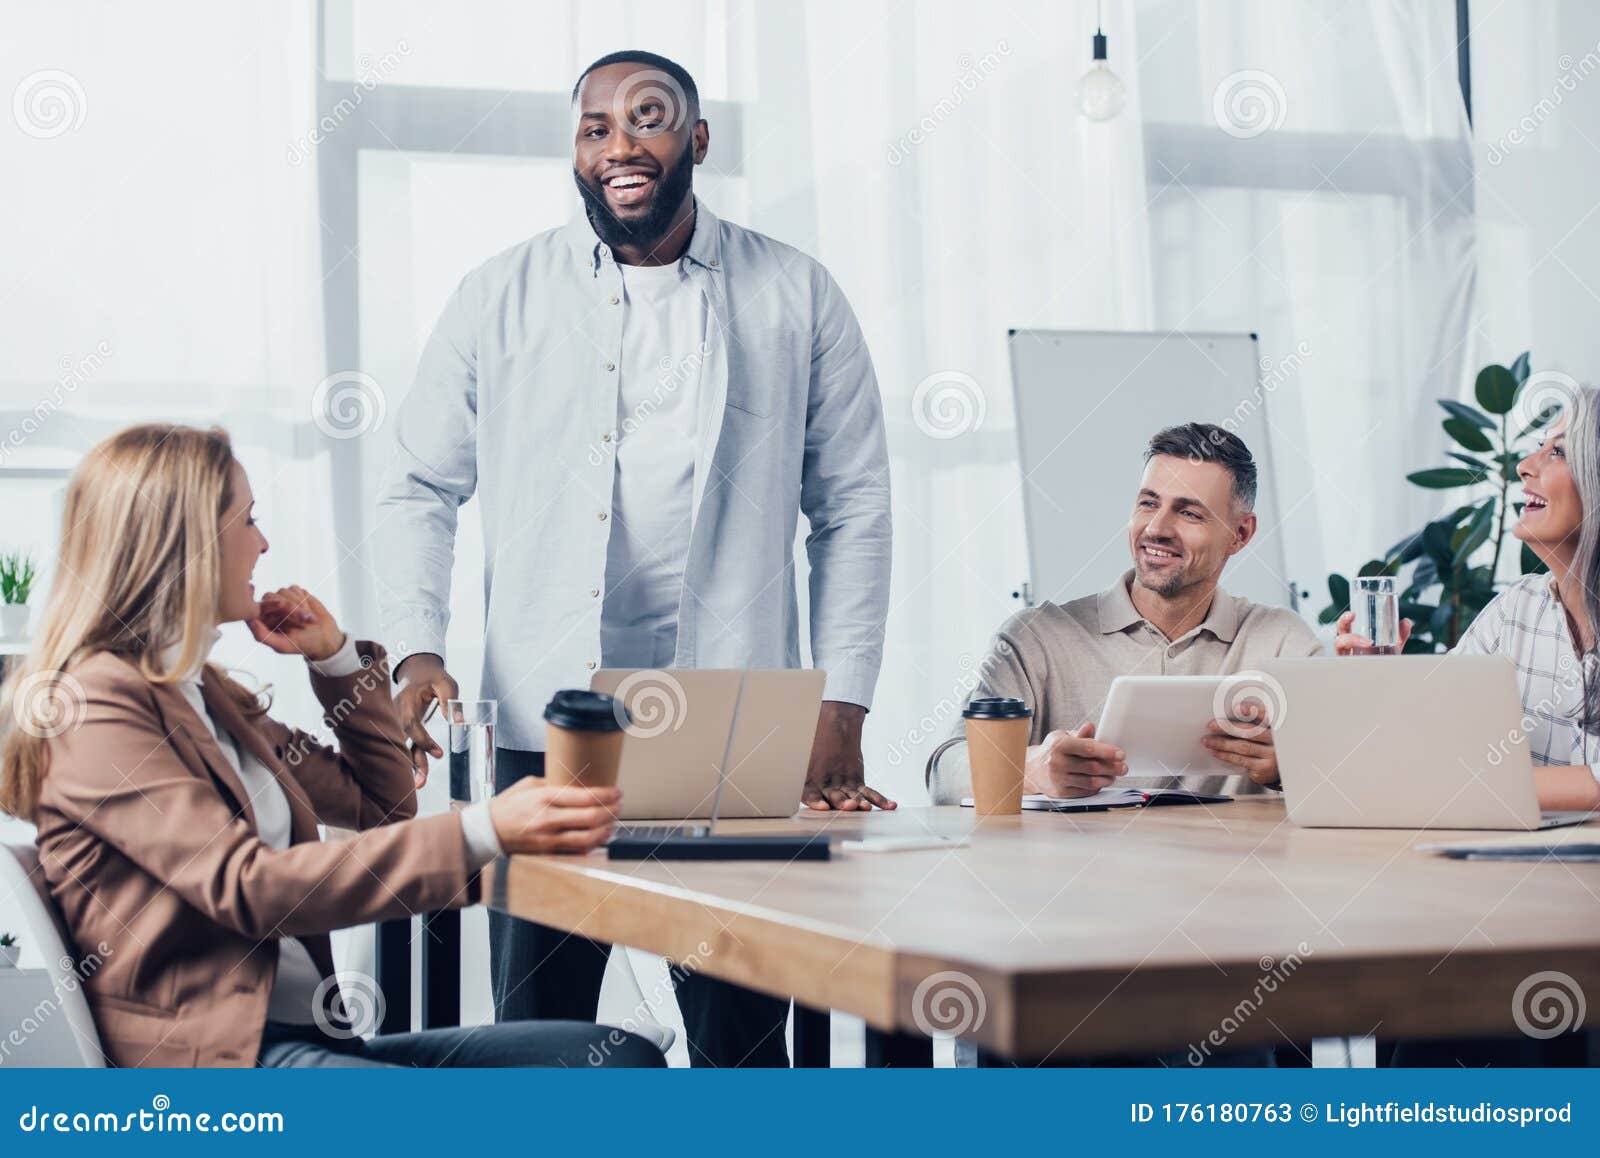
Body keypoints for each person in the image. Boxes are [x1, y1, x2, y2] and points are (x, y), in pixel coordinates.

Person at [374, 50, 894, 1066]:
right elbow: (418, 486)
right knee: (540, 1038)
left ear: (697, 140)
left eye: (646, 121)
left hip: (733, 723)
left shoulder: (796, 292)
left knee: (744, 1041)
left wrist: (843, 705)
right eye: (595, 128)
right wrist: (416, 649)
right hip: (550, 721)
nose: (620, 146)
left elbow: (853, 508)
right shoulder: (498, 295)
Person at [0, 425, 662, 1069]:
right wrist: (484, 829)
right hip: (232, 1064)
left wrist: (337, 658)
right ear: (189, 542)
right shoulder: (96, 705)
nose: (263, 544)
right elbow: (248, 886)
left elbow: (380, 805)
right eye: (247, 521)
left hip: (315, 1042)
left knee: (617, 1061)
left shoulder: (201, 693)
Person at [1334, 389, 1600, 1068]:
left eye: (1559, 452)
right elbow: (1433, 738)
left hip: (1579, 927)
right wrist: (1378, 684)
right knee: (1417, 1018)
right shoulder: (1515, 612)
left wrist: (1481, 782)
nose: (1525, 466)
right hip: (1515, 903)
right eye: (1534, 448)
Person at [929, 423, 1322, 807]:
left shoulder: (1284, 641)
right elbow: (944, 774)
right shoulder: (1036, 638)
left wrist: (1287, 767)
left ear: (1240, 534)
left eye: (1189, 513)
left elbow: (1347, 772)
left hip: (1234, 854)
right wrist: (1034, 769)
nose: (1157, 528)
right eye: (1148, 503)